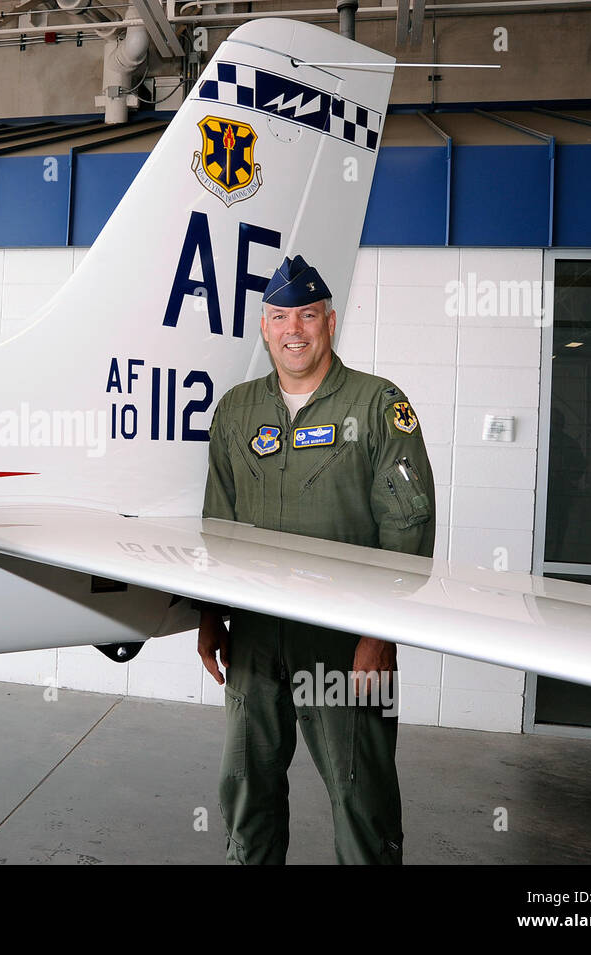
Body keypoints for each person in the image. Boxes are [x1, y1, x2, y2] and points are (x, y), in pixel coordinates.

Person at [197, 254, 435, 865]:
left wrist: (379, 637)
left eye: (307, 315)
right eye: (280, 316)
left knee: (362, 796)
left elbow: (408, 528)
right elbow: (217, 526)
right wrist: (208, 616)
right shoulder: (237, 411)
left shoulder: (378, 406)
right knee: (246, 790)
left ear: (330, 322)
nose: (293, 329)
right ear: (264, 327)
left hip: (345, 639)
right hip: (254, 637)